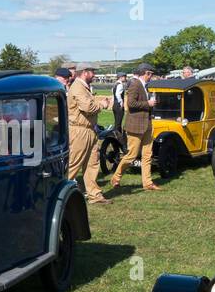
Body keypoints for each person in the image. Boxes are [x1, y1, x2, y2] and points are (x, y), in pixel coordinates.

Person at [66, 64, 112, 204]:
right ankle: (56, 194)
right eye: (93, 72)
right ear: (85, 72)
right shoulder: (78, 87)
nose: (94, 75)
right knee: (74, 163)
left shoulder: (83, 87)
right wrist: (102, 105)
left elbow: (88, 104)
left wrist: (99, 102)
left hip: (89, 129)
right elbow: (88, 107)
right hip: (80, 131)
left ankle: (95, 195)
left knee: (92, 163)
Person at [112, 63, 161, 192]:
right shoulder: (135, 84)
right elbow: (131, 103)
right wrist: (148, 103)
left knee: (147, 155)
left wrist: (152, 103)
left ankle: (148, 183)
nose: (151, 76)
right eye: (150, 74)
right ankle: (116, 177)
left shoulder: (144, 86)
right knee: (131, 155)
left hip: (147, 125)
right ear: (146, 73)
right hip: (135, 126)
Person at [112, 72, 128, 144]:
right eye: (124, 76)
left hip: (114, 105)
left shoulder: (115, 84)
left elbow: (113, 92)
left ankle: (116, 137)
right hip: (118, 105)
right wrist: (121, 102)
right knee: (118, 123)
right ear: (121, 77)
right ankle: (119, 139)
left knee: (116, 123)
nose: (125, 78)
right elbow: (117, 94)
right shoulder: (120, 85)